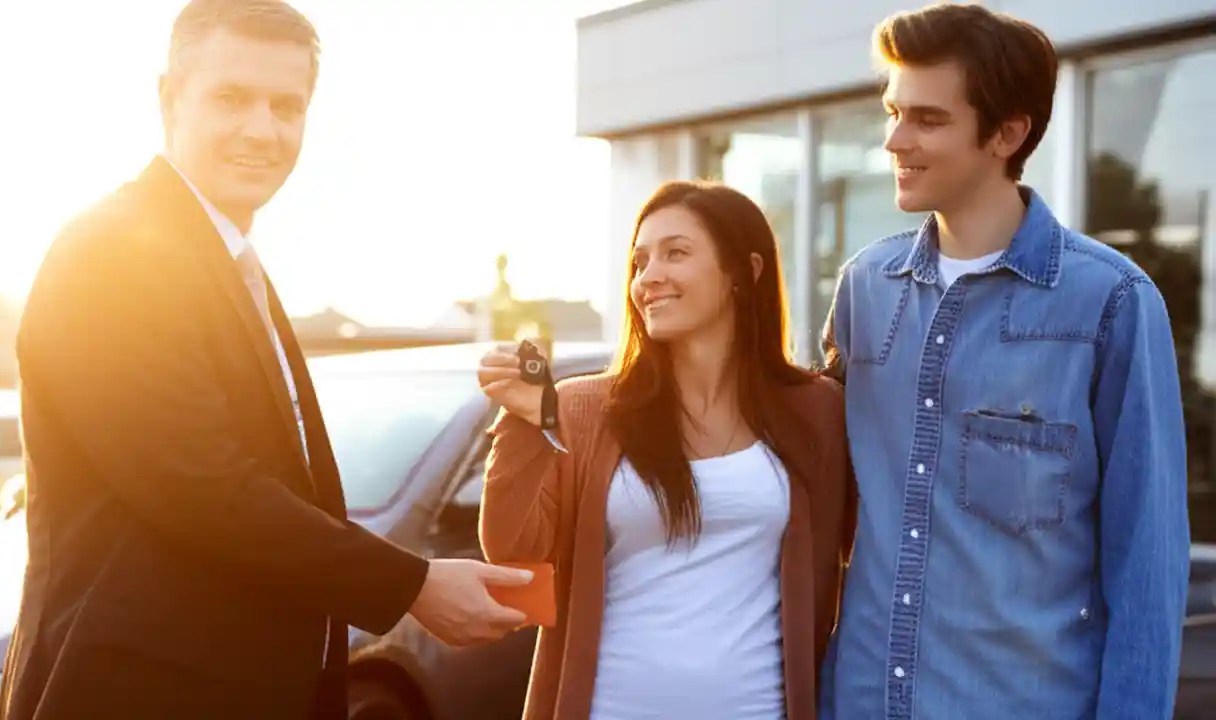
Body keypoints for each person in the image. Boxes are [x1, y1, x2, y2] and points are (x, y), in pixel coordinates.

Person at [0, 2, 530, 718]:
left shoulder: (226, 260)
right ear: (167, 99)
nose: (263, 129)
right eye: (231, 98)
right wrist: (412, 586)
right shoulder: (113, 250)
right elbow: (201, 484)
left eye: (288, 106)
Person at [819, 4, 1189, 718]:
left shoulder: (1110, 302)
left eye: (928, 119)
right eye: (894, 111)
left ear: (1007, 133)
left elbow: (1147, 565)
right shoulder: (865, 290)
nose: (895, 139)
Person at [476, 180, 854, 719]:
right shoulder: (584, 408)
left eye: (676, 253)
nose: (648, 278)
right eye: (639, 262)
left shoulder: (816, 411)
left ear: (743, 274)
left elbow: (871, 556)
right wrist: (524, 420)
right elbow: (514, 552)